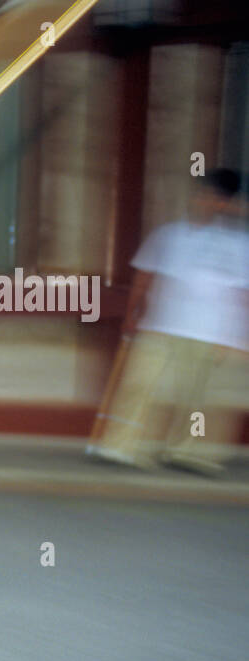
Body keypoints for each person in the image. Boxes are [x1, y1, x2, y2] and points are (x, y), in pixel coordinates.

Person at [90, 169, 249, 475]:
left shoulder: (240, 244)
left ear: (229, 204)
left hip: (215, 333)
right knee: (140, 385)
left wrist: (242, 337)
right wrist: (132, 315)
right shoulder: (170, 234)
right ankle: (121, 445)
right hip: (162, 325)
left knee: (199, 398)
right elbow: (144, 276)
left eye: (216, 198)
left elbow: (244, 293)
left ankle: (190, 452)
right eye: (202, 194)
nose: (206, 202)